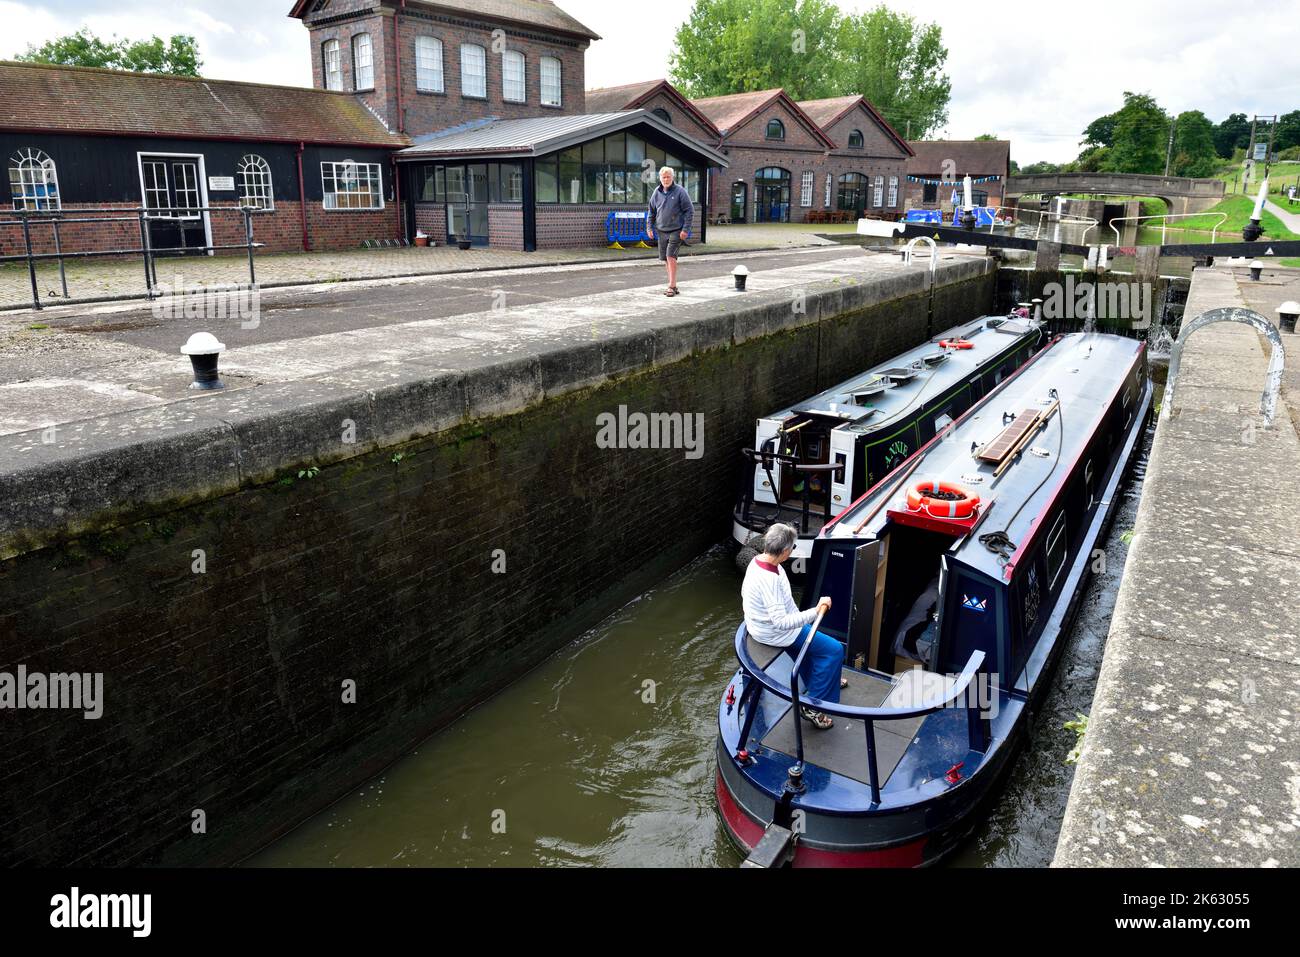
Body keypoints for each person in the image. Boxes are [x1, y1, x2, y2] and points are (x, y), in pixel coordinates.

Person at [740, 523, 847, 730]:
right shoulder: (769, 579)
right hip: (774, 633)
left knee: (812, 647)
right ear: (785, 551)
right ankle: (813, 707)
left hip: (765, 627)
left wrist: (803, 618)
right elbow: (780, 622)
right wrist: (816, 611)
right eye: (793, 548)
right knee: (834, 650)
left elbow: (787, 603)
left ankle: (822, 683)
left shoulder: (760, 562)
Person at [646, 166, 693, 297]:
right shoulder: (656, 192)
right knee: (666, 259)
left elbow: (689, 210)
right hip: (661, 230)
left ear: (673, 178)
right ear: (660, 178)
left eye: (668, 177)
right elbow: (651, 211)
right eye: (663, 177)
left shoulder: (680, 191)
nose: (666, 179)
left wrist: (685, 229)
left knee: (670, 256)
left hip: (676, 230)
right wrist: (649, 227)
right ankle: (673, 284)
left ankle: (671, 286)